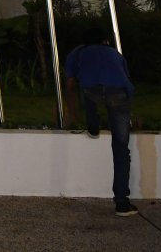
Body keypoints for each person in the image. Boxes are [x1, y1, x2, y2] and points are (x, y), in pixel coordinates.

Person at [65, 24, 138, 216]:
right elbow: (125, 79)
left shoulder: (77, 52)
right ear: (105, 40)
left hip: (93, 91)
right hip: (120, 95)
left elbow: (71, 83)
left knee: (87, 90)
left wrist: (72, 111)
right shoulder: (115, 54)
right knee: (121, 148)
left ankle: (93, 125)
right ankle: (122, 202)